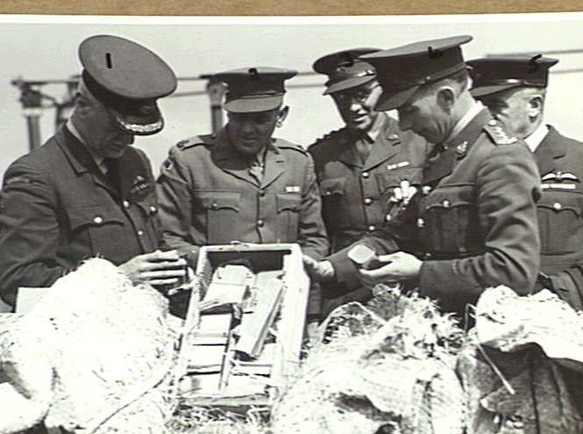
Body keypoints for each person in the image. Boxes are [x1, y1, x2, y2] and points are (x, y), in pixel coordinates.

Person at [304, 36, 541, 314]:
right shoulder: (444, 152)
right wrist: (333, 267)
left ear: (446, 98)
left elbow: (514, 271)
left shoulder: (499, 157)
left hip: (482, 330)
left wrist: (420, 272)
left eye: (409, 110)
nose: (404, 124)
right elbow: (397, 235)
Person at [0, 35, 186, 308]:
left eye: (133, 131)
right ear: (83, 105)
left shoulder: (135, 161)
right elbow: (17, 283)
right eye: (116, 128)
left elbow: (153, 242)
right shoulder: (35, 176)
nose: (128, 140)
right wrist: (118, 278)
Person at [156, 66, 328, 274]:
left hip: (285, 287)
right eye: (239, 118)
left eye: (260, 120)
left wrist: (303, 264)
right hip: (212, 292)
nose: (247, 130)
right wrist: (212, 265)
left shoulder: (298, 163)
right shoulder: (190, 160)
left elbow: (314, 239)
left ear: (281, 116)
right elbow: (167, 237)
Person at [306, 48, 428, 309]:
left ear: (382, 88)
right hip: (345, 290)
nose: (352, 107)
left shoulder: (419, 142)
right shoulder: (320, 156)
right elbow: (316, 236)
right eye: (341, 98)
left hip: (409, 287)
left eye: (362, 94)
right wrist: (314, 313)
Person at [469, 55, 583, 311]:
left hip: (565, 314)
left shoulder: (579, 162)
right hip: (485, 310)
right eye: (479, 106)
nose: (485, 118)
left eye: (495, 106)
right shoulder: (469, 164)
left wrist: (558, 291)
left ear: (534, 104)